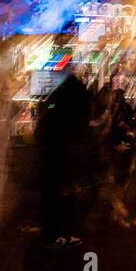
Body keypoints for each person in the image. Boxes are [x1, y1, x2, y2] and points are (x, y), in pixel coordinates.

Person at [34, 69, 95, 249]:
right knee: (60, 193)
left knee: (53, 192)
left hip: (53, 153)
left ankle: (51, 231)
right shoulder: (73, 96)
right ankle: (55, 235)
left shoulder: (55, 102)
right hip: (63, 154)